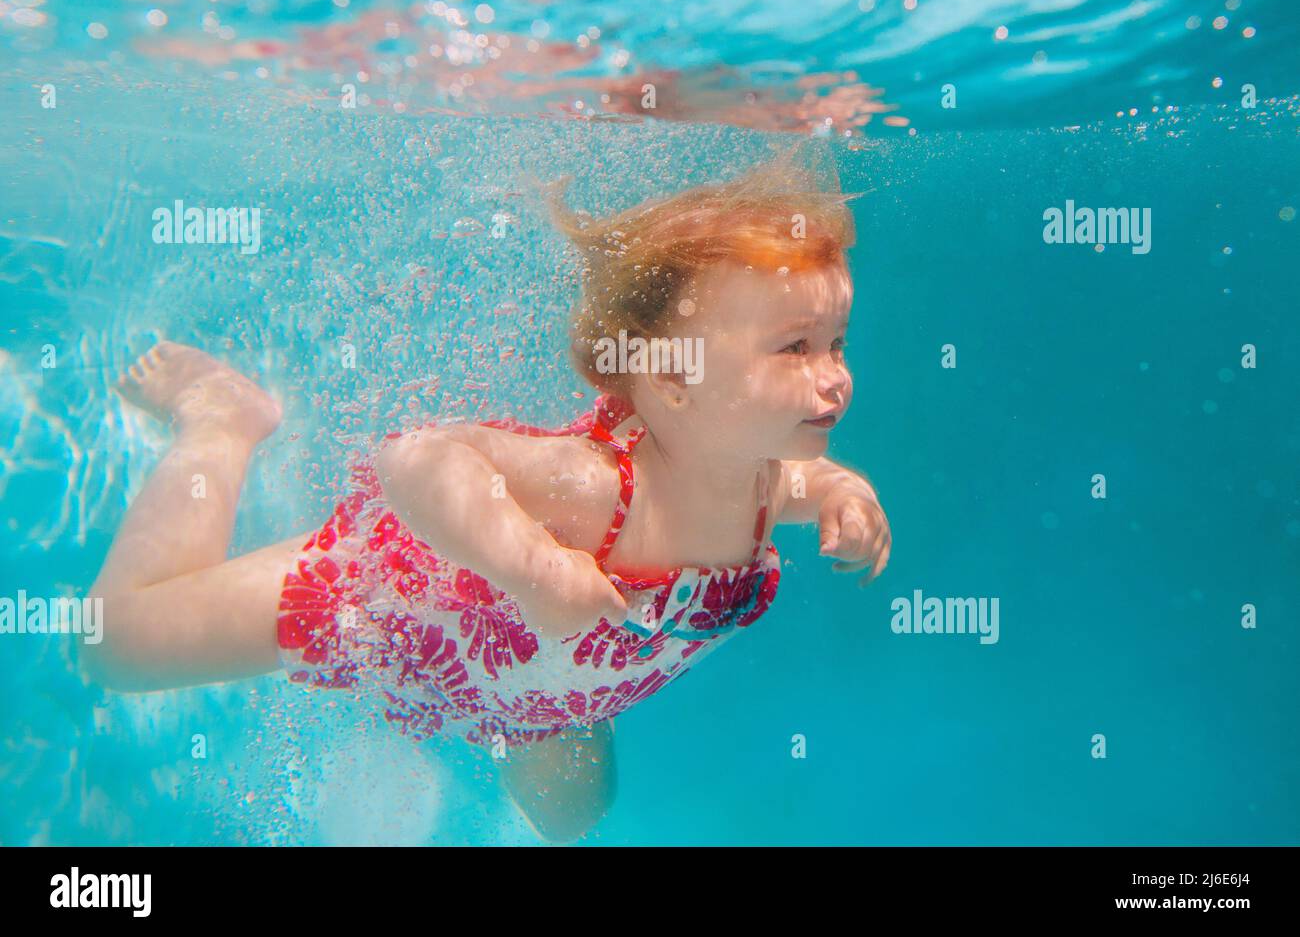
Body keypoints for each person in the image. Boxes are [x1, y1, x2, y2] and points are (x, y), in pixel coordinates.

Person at [82, 145, 892, 842]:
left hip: (542, 693)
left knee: (571, 818)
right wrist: (535, 564)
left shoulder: (757, 485)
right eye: (794, 348)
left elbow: (803, 482)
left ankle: (551, 705)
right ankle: (221, 421)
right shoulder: (599, 488)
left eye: (837, 342)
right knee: (116, 645)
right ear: (673, 381)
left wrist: (842, 495)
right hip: (393, 610)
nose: (836, 377)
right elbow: (419, 458)